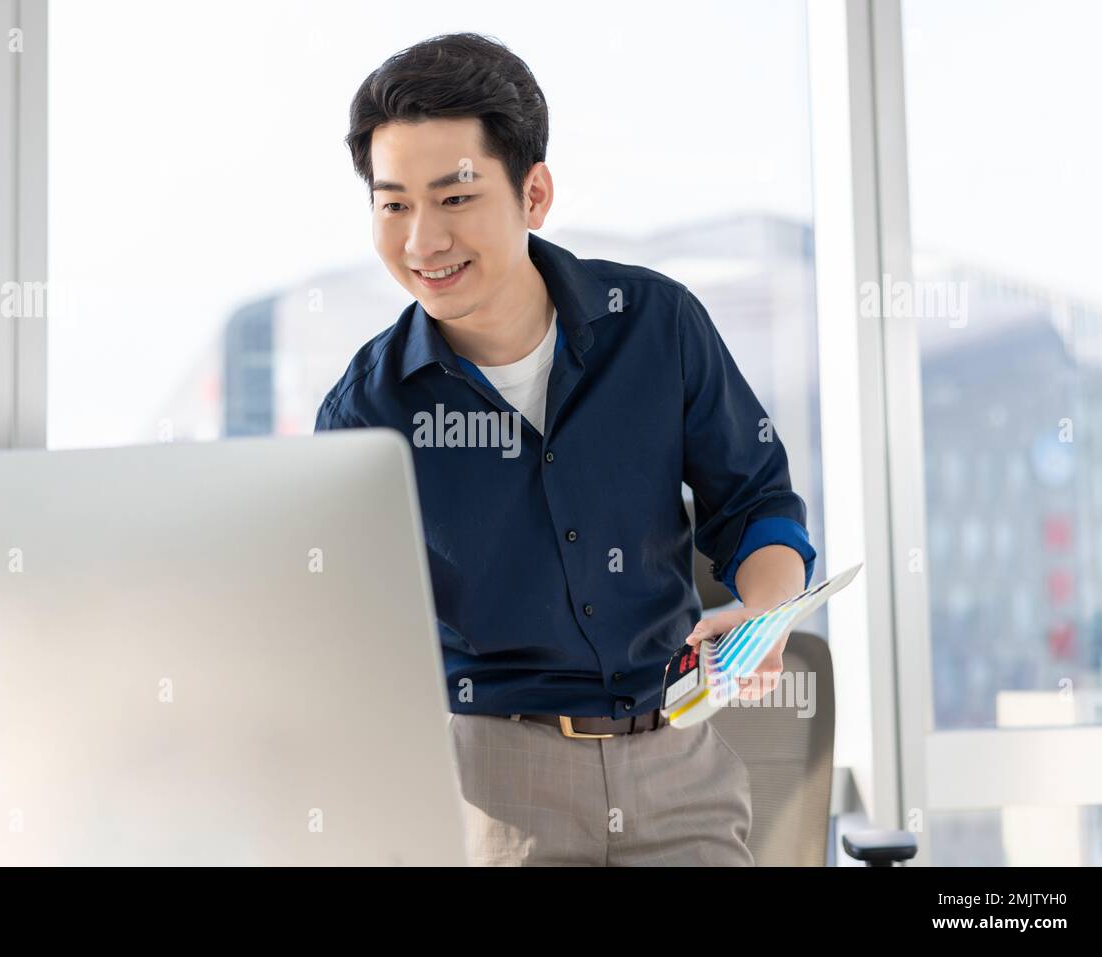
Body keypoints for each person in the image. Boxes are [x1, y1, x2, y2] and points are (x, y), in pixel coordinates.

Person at [314, 32, 816, 866]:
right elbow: (348, 637)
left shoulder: (656, 325)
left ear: (534, 192)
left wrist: (761, 618)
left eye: (455, 197)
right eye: (394, 203)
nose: (422, 241)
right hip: (492, 784)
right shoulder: (367, 410)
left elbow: (759, 503)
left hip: (677, 765)